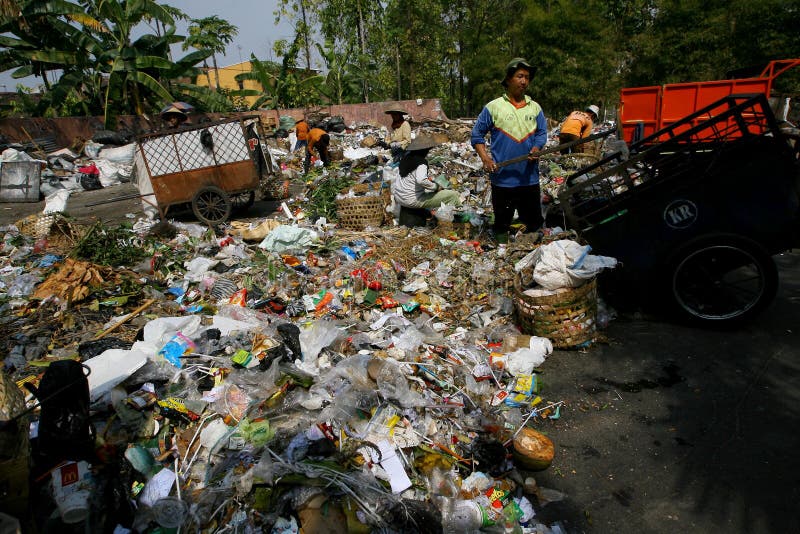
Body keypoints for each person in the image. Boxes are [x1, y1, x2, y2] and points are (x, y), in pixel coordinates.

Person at [471, 57, 547, 243]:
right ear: (508, 80)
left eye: (527, 77)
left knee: (533, 222)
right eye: (519, 76)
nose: (524, 81)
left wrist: (537, 147)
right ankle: (501, 253)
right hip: (503, 179)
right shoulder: (494, 107)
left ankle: (529, 251)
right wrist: (485, 159)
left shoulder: (535, 108)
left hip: (528, 177)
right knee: (502, 224)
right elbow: (476, 135)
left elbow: (542, 133)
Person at [392, 134, 461, 211]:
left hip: (399, 197)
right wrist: (436, 187)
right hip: (411, 200)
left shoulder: (405, 159)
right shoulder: (421, 163)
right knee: (452, 195)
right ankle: (458, 217)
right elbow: (421, 180)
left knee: (427, 190)